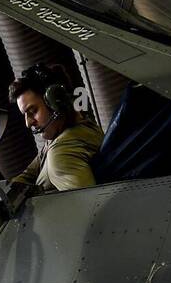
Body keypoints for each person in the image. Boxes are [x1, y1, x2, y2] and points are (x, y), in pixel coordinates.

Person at [9, 63, 103, 195]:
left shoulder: (62, 152)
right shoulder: (77, 129)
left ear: (56, 102)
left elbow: (91, 208)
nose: (28, 123)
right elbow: (28, 175)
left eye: (33, 111)